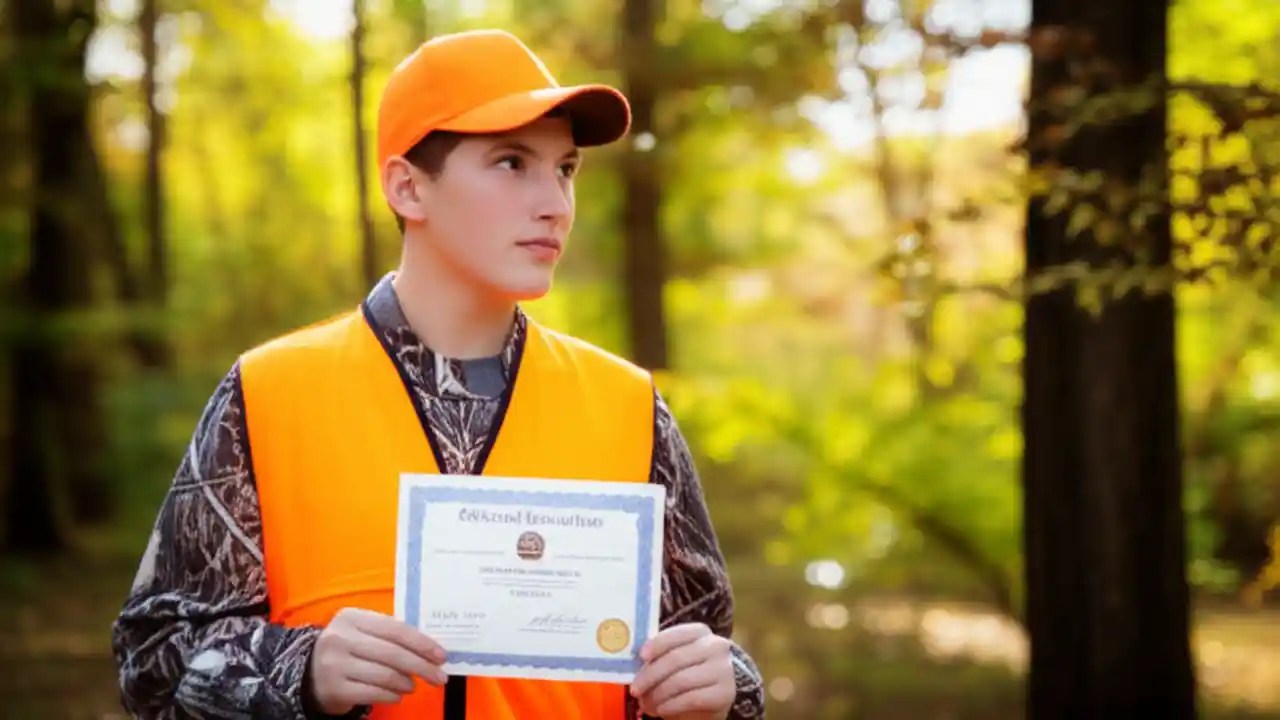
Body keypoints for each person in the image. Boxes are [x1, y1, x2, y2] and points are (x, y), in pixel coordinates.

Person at [111, 28, 765, 720]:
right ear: (408, 187)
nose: (556, 204)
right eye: (512, 163)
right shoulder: (268, 393)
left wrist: (728, 690)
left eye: (565, 168)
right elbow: (151, 663)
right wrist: (297, 671)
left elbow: (702, 653)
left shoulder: (628, 407)